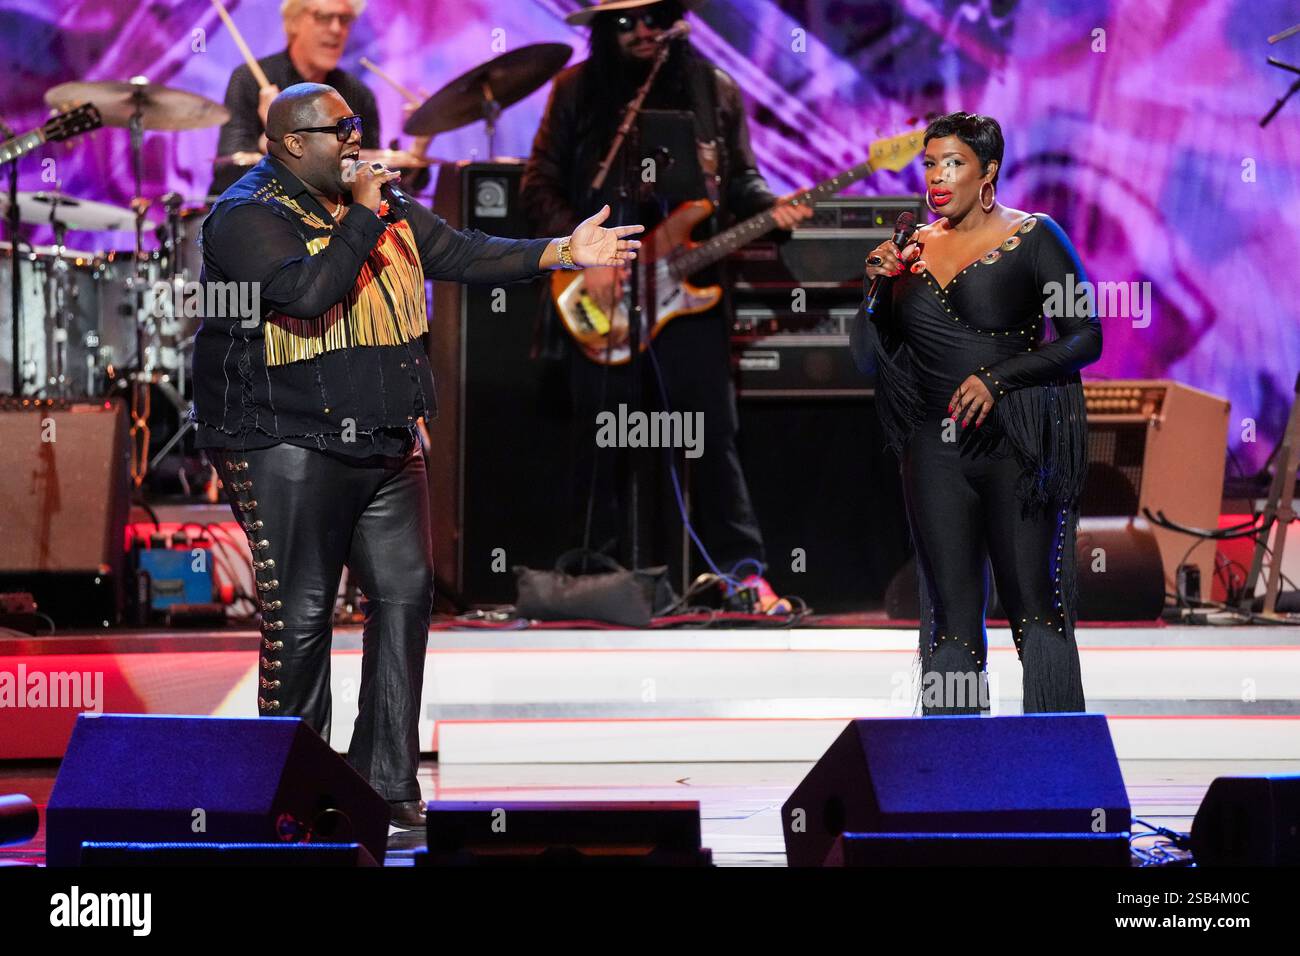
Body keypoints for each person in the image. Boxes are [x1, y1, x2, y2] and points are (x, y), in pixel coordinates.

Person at [190, 83, 642, 827]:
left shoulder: (380, 206)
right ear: (293, 142)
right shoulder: (245, 215)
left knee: (403, 599)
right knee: (301, 619)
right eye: (341, 129)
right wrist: (365, 211)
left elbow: (460, 251)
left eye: (358, 125)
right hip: (283, 439)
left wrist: (562, 251)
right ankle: (294, 797)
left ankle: (386, 785)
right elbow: (308, 293)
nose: (357, 141)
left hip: (386, 437)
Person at [521, 0, 812, 609]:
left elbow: (739, 181)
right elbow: (538, 185)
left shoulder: (716, 90)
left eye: (654, 17)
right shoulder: (575, 90)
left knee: (712, 438)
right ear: (604, 30)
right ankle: (590, 579)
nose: (644, 31)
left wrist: (772, 207)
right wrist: (586, 251)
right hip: (597, 291)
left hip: (687, 301)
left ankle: (741, 576)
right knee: (601, 438)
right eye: (626, 22)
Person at [853, 111, 1102, 715]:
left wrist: (998, 378)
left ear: (988, 171)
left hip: (1015, 447)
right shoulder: (911, 249)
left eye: (954, 163)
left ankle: (1058, 773)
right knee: (951, 620)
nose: (938, 176)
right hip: (934, 453)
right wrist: (876, 292)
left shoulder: (1035, 236)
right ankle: (954, 772)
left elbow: (1085, 337)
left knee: (1034, 607)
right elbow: (868, 360)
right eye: (931, 163)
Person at [208, 0, 428, 197]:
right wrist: (274, 138)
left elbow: (360, 175)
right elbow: (228, 174)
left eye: (344, 19)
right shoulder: (250, 80)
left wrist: (415, 153)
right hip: (261, 216)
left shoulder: (356, 93)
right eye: (323, 17)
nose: (336, 29)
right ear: (292, 22)